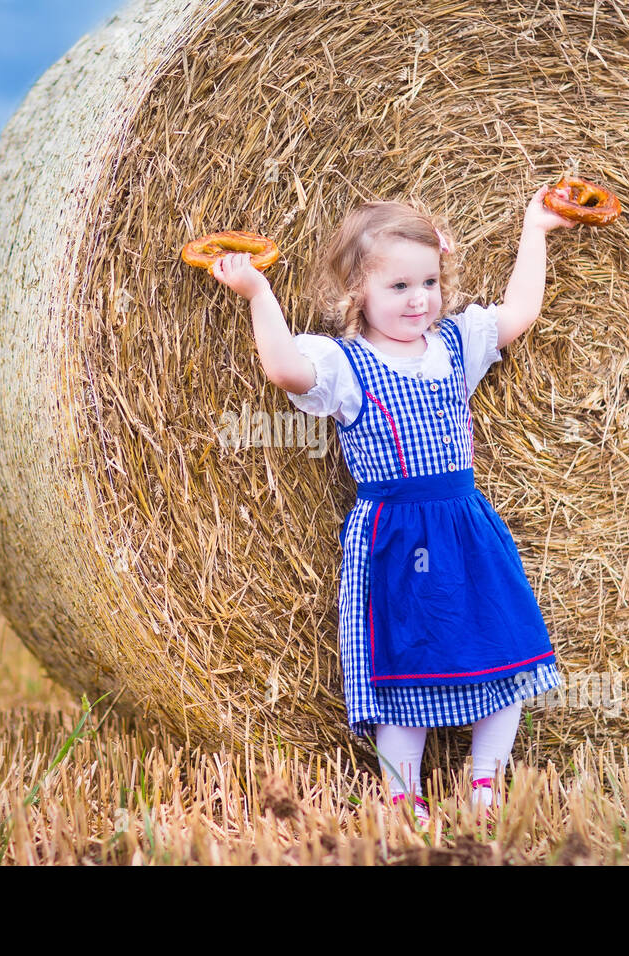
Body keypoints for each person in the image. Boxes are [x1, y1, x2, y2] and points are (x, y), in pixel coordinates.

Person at [209, 190, 576, 825]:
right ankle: (404, 798)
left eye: (429, 282)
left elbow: (520, 310)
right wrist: (258, 293)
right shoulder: (345, 363)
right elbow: (286, 372)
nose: (418, 299)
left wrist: (535, 229)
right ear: (358, 292)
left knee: (506, 653)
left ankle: (486, 785)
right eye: (399, 285)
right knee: (404, 668)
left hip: (466, 527)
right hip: (396, 537)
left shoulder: (455, 345)